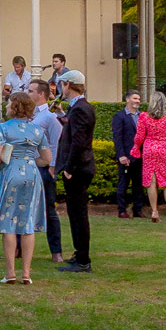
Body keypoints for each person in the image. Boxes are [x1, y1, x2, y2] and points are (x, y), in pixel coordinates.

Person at [0, 87, 50, 284]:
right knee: (27, 223)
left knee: (9, 223)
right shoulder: (37, 130)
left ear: (14, 107)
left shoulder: (3, 128)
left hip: (11, 173)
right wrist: (30, 162)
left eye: (8, 104)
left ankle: (10, 272)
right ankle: (26, 273)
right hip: (31, 173)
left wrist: (7, 159)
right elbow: (46, 158)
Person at [54, 70, 96, 270]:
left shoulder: (79, 108)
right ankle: (79, 254)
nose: (61, 89)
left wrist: (69, 168)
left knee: (78, 214)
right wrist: (62, 116)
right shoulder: (78, 107)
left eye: (62, 85)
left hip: (78, 169)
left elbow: (79, 141)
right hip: (80, 167)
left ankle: (83, 260)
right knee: (75, 213)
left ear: (68, 85)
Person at [27, 77, 64, 264]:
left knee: (49, 209)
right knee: (23, 208)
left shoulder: (49, 117)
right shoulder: (28, 115)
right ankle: (18, 247)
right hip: (28, 167)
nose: (28, 94)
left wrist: (53, 166)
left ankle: (56, 251)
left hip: (43, 169)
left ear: (41, 94)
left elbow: (56, 142)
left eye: (31, 91)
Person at [131, 92, 166, 224]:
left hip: (149, 148)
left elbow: (139, 137)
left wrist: (135, 147)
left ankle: (154, 211)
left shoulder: (144, 116)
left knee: (151, 181)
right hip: (163, 148)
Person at [111, 88, 147, 219]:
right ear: (127, 99)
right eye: (135, 98)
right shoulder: (119, 116)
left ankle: (138, 210)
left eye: (138, 99)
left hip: (140, 156)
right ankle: (122, 210)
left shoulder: (142, 116)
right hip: (126, 157)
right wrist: (121, 155)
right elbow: (117, 137)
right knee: (123, 184)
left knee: (138, 185)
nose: (137, 101)